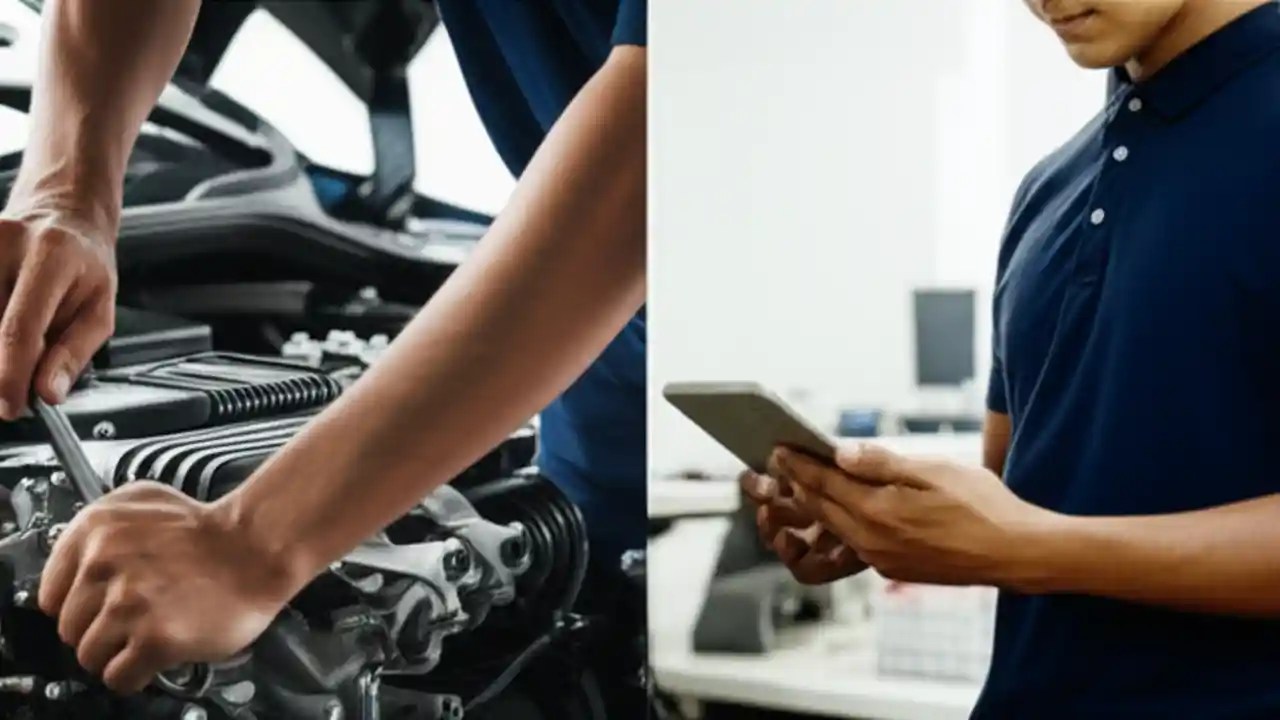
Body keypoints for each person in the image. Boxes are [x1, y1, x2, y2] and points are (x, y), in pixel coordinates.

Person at [3, 0, 646, 700]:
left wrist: (256, 543)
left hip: (755, 449)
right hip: (604, 431)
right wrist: (67, 189)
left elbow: (658, 139)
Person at [745, 0, 1280, 717]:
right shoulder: (1047, 189)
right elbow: (1018, 496)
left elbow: (1031, 537)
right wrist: (879, 524)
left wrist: (1035, 548)